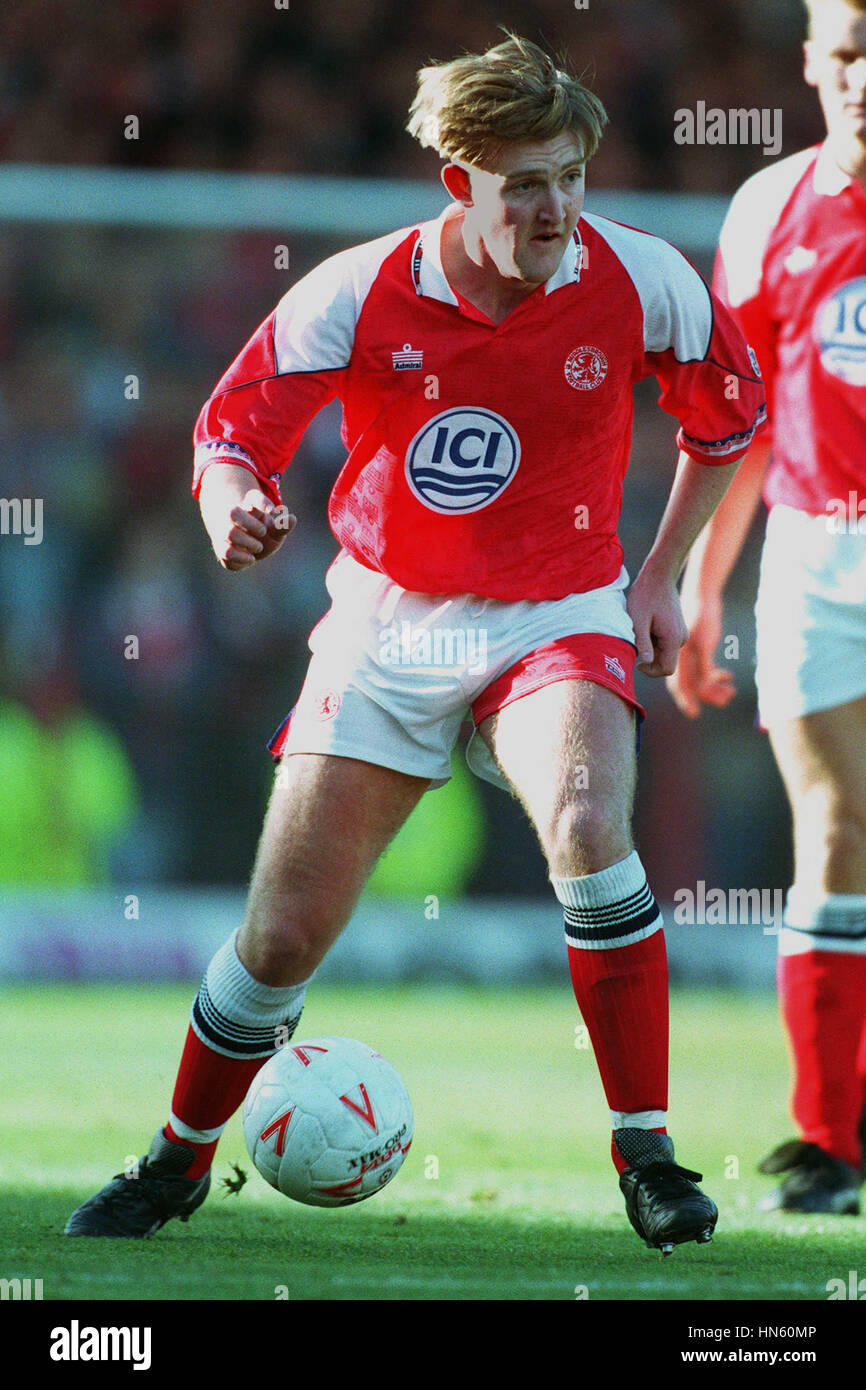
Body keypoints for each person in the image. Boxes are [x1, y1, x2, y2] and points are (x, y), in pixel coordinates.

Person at [66, 34, 765, 1251]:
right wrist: (232, 503)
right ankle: (177, 1160)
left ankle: (645, 1153)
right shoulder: (354, 290)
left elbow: (728, 415)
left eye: (570, 176)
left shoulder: (642, 279)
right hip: (389, 624)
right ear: (460, 184)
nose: (555, 208)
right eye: (525, 184)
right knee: (280, 938)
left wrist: (659, 578)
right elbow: (231, 429)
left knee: (591, 829)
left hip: (557, 609)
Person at [667, 0, 866, 1214]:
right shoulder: (765, 210)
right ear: (808, 63)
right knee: (833, 829)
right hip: (810, 556)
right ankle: (827, 1144)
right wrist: (697, 582)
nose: (862, 79)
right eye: (844, 55)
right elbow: (730, 423)